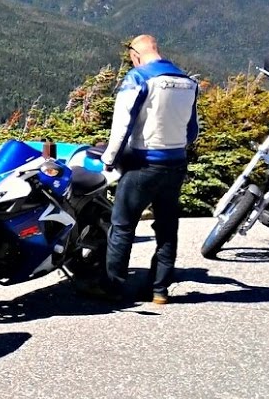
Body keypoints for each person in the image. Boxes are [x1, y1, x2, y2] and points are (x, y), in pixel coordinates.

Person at [75, 34, 199, 305]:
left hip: (143, 162)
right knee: (167, 226)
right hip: (175, 162)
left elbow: (122, 126)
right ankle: (159, 289)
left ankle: (111, 286)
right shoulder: (187, 81)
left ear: (135, 54)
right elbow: (192, 131)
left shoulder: (138, 78)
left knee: (122, 226)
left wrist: (109, 159)